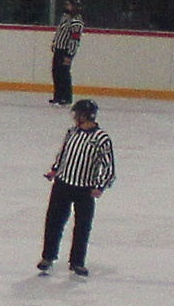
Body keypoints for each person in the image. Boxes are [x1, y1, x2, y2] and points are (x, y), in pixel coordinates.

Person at [37, 98, 115, 277]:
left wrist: (100, 186)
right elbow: (63, 154)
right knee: (54, 221)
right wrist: (55, 170)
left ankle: (77, 261)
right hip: (63, 185)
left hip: (84, 190)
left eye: (77, 114)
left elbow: (109, 167)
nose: (74, 118)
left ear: (85, 116)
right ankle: (48, 256)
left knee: (82, 226)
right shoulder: (72, 132)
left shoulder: (101, 138)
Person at [51, 0, 86, 105]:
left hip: (65, 51)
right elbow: (59, 31)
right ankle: (58, 96)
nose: (67, 6)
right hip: (59, 48)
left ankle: (66, 97)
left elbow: (75, 40)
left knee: (64, 74)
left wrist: (69, 55)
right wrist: (55, 42)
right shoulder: (65, 17)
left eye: (69, 5)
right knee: (56, 72)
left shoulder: (77, 22)